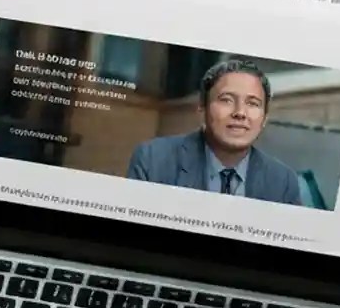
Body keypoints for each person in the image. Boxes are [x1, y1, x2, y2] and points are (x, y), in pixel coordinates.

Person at [127, 58, 302, 206]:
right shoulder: (153, 160)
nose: (240, 113)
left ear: (264, 118)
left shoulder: (283, 182)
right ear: (202, 107)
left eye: (253, 103)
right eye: (226, 100)